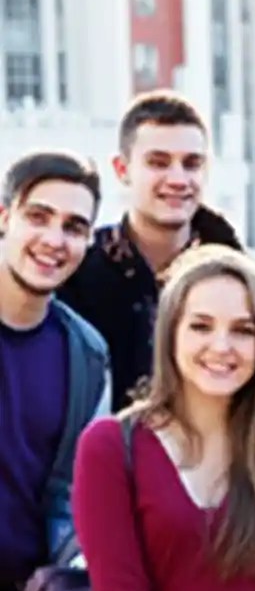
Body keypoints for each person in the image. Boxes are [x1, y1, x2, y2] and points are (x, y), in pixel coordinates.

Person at [72, 245, 255, 591]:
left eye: (243, 330)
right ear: (171, 331)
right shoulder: (109, 447)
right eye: (201, 326)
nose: (221, 346)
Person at [60, 90, 243, 411]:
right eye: (158, 163)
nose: (178, 179)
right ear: (122, 169)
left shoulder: (237, 280)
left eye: (192, 164)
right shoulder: (77, 276)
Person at [0, 151, 110, 591]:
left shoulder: (88, 356)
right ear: (4, 218)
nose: (53, 240)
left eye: (73, 227)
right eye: (38, 217)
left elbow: (80, 499)